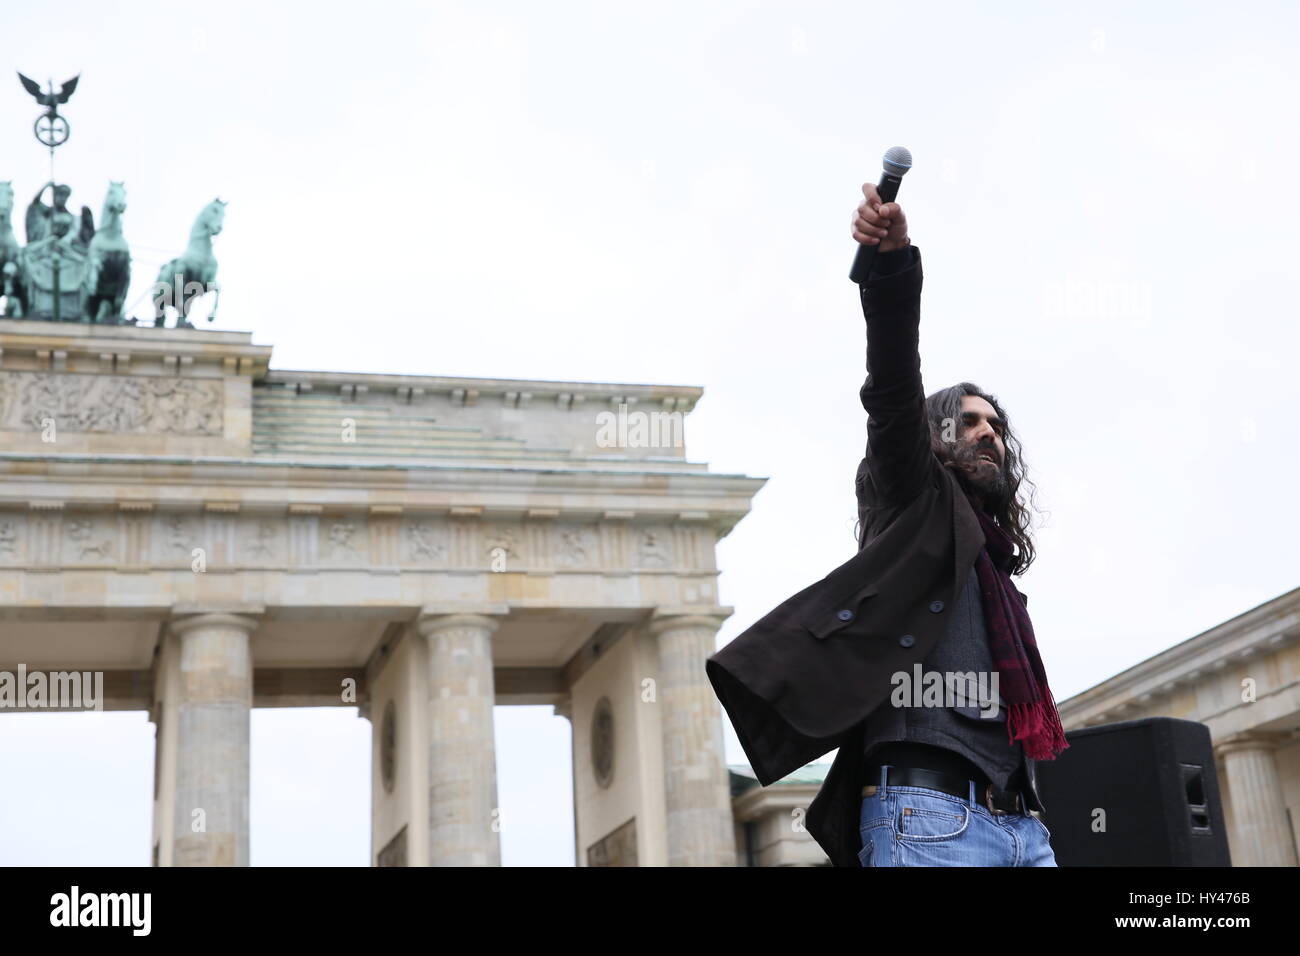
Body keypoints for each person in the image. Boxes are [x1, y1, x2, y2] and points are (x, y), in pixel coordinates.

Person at [705, 182, 1069, 867]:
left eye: (995, 425)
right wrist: (892, 268)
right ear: (935, 435)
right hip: (930, 818)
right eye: (967, 422)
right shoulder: (914, 500)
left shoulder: (995, 561)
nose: (987, 433)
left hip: (1023, 826)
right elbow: (893, 389)